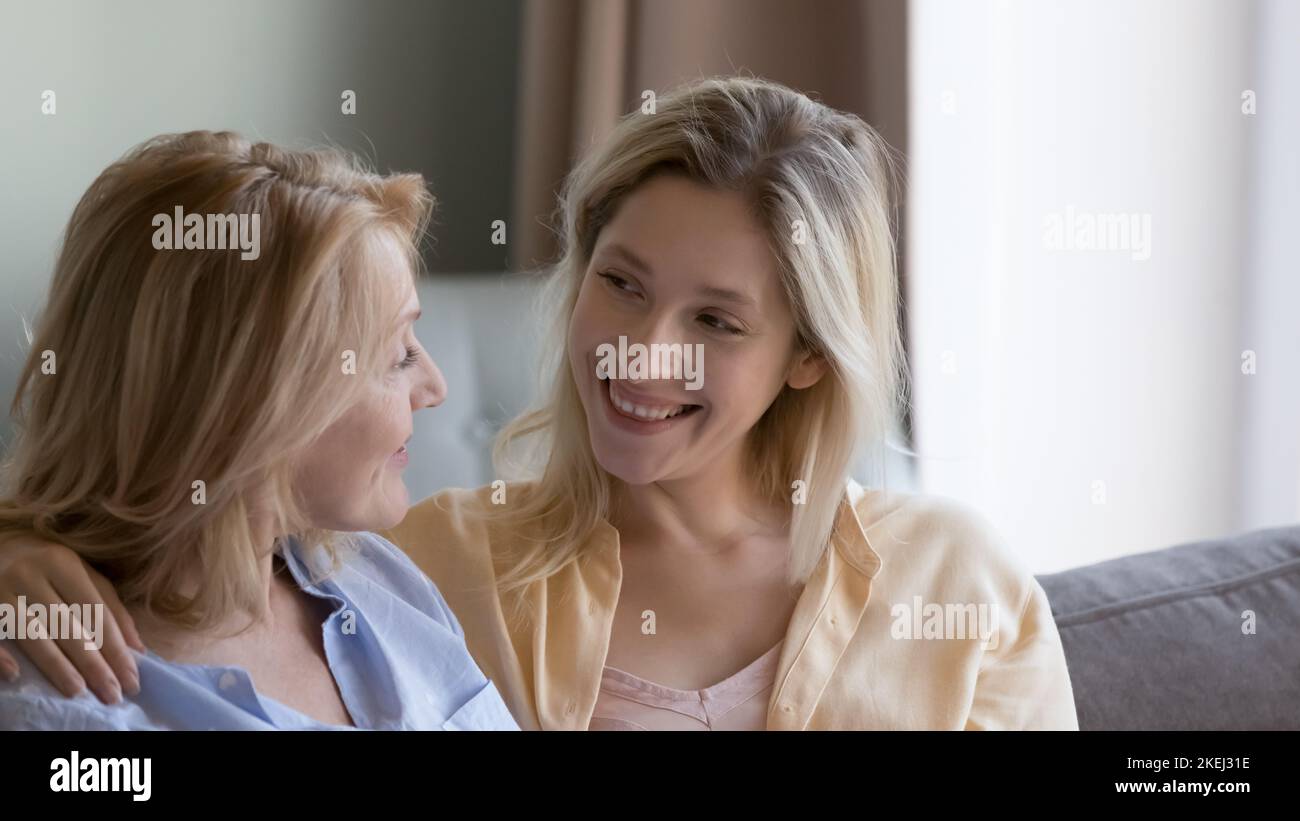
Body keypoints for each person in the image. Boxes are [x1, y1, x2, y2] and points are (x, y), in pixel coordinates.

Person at [0, 131, 517, 730]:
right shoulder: (60, 705)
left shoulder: (379, 577)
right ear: (261, 406)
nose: (435, 388)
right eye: (398, 354)